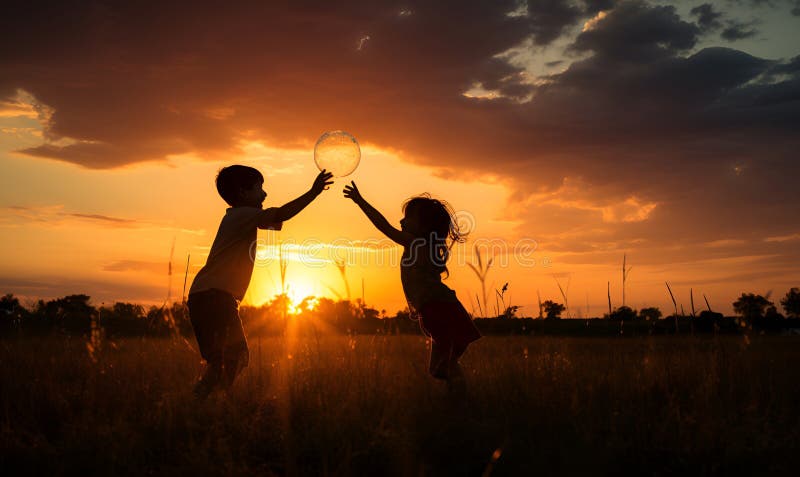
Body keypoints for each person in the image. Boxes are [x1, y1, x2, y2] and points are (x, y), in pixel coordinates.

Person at [188, 165, 333, 398]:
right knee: (234, 358)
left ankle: (204, 403)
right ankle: (201, 402)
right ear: (243, 193)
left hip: (208, 296)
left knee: (226, 360)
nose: (265, 194)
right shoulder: (242, 215)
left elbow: (277, 221)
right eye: (260, 188)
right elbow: (282, 213)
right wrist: (313, 192)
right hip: (214, 297)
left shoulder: (240, 217)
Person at [343, 182, 481, 393]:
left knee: (445, 366)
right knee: (439, 368)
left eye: (408, 218)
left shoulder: (416, 243)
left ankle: (463, 401)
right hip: (444, 309)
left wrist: (360, 201)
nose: (401, 221)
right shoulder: (428, 246)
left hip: (439, 310)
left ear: (424, 227)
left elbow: (384, 226)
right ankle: (460, 401)